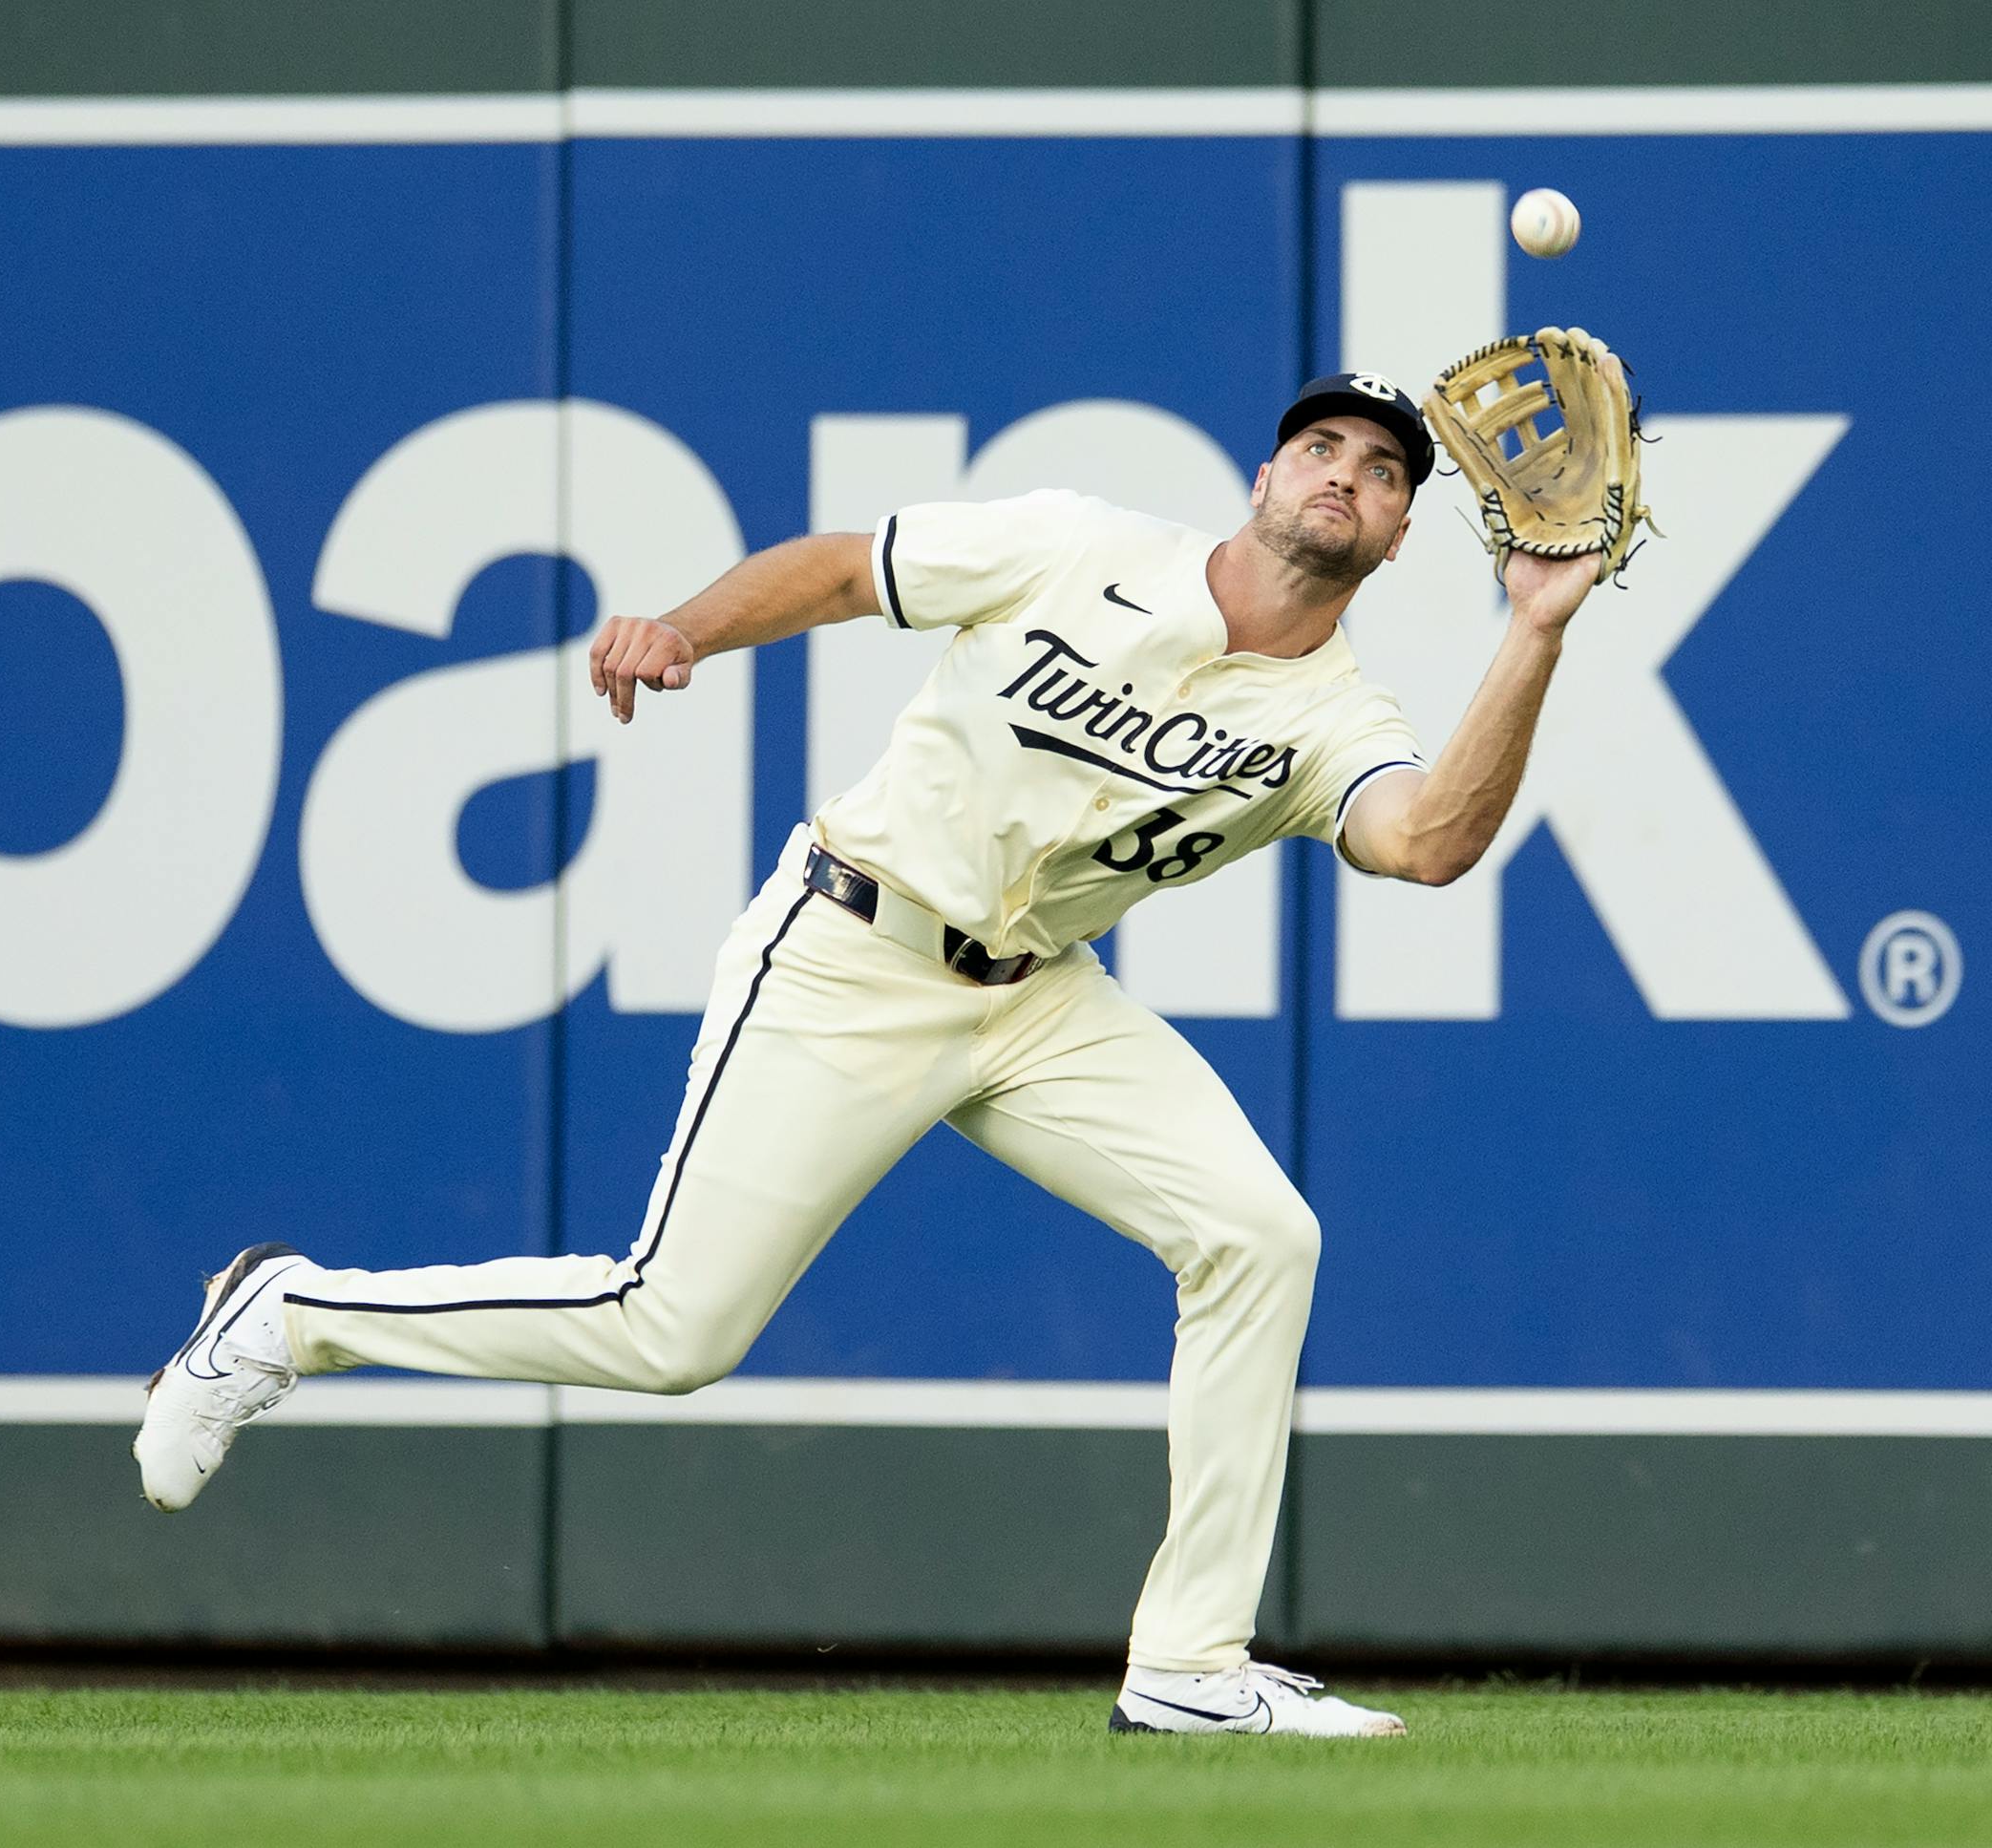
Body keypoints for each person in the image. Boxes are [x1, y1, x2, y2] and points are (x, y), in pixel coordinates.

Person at [135, 372, 1597, 1738]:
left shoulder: (1336, 714)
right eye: (1322, 447)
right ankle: (291, 1313)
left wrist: (1533, 628)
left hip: (1038, 998)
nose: (1346, 474)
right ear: (1264, 475)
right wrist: (687, 630)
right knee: (670, 1331)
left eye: (1384, 470)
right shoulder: (1079, 547)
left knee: (1260, 1237)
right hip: (854, 947)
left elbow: (1428, 841)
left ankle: (1191, 1666)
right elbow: (846, 571)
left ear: (1402, 535)